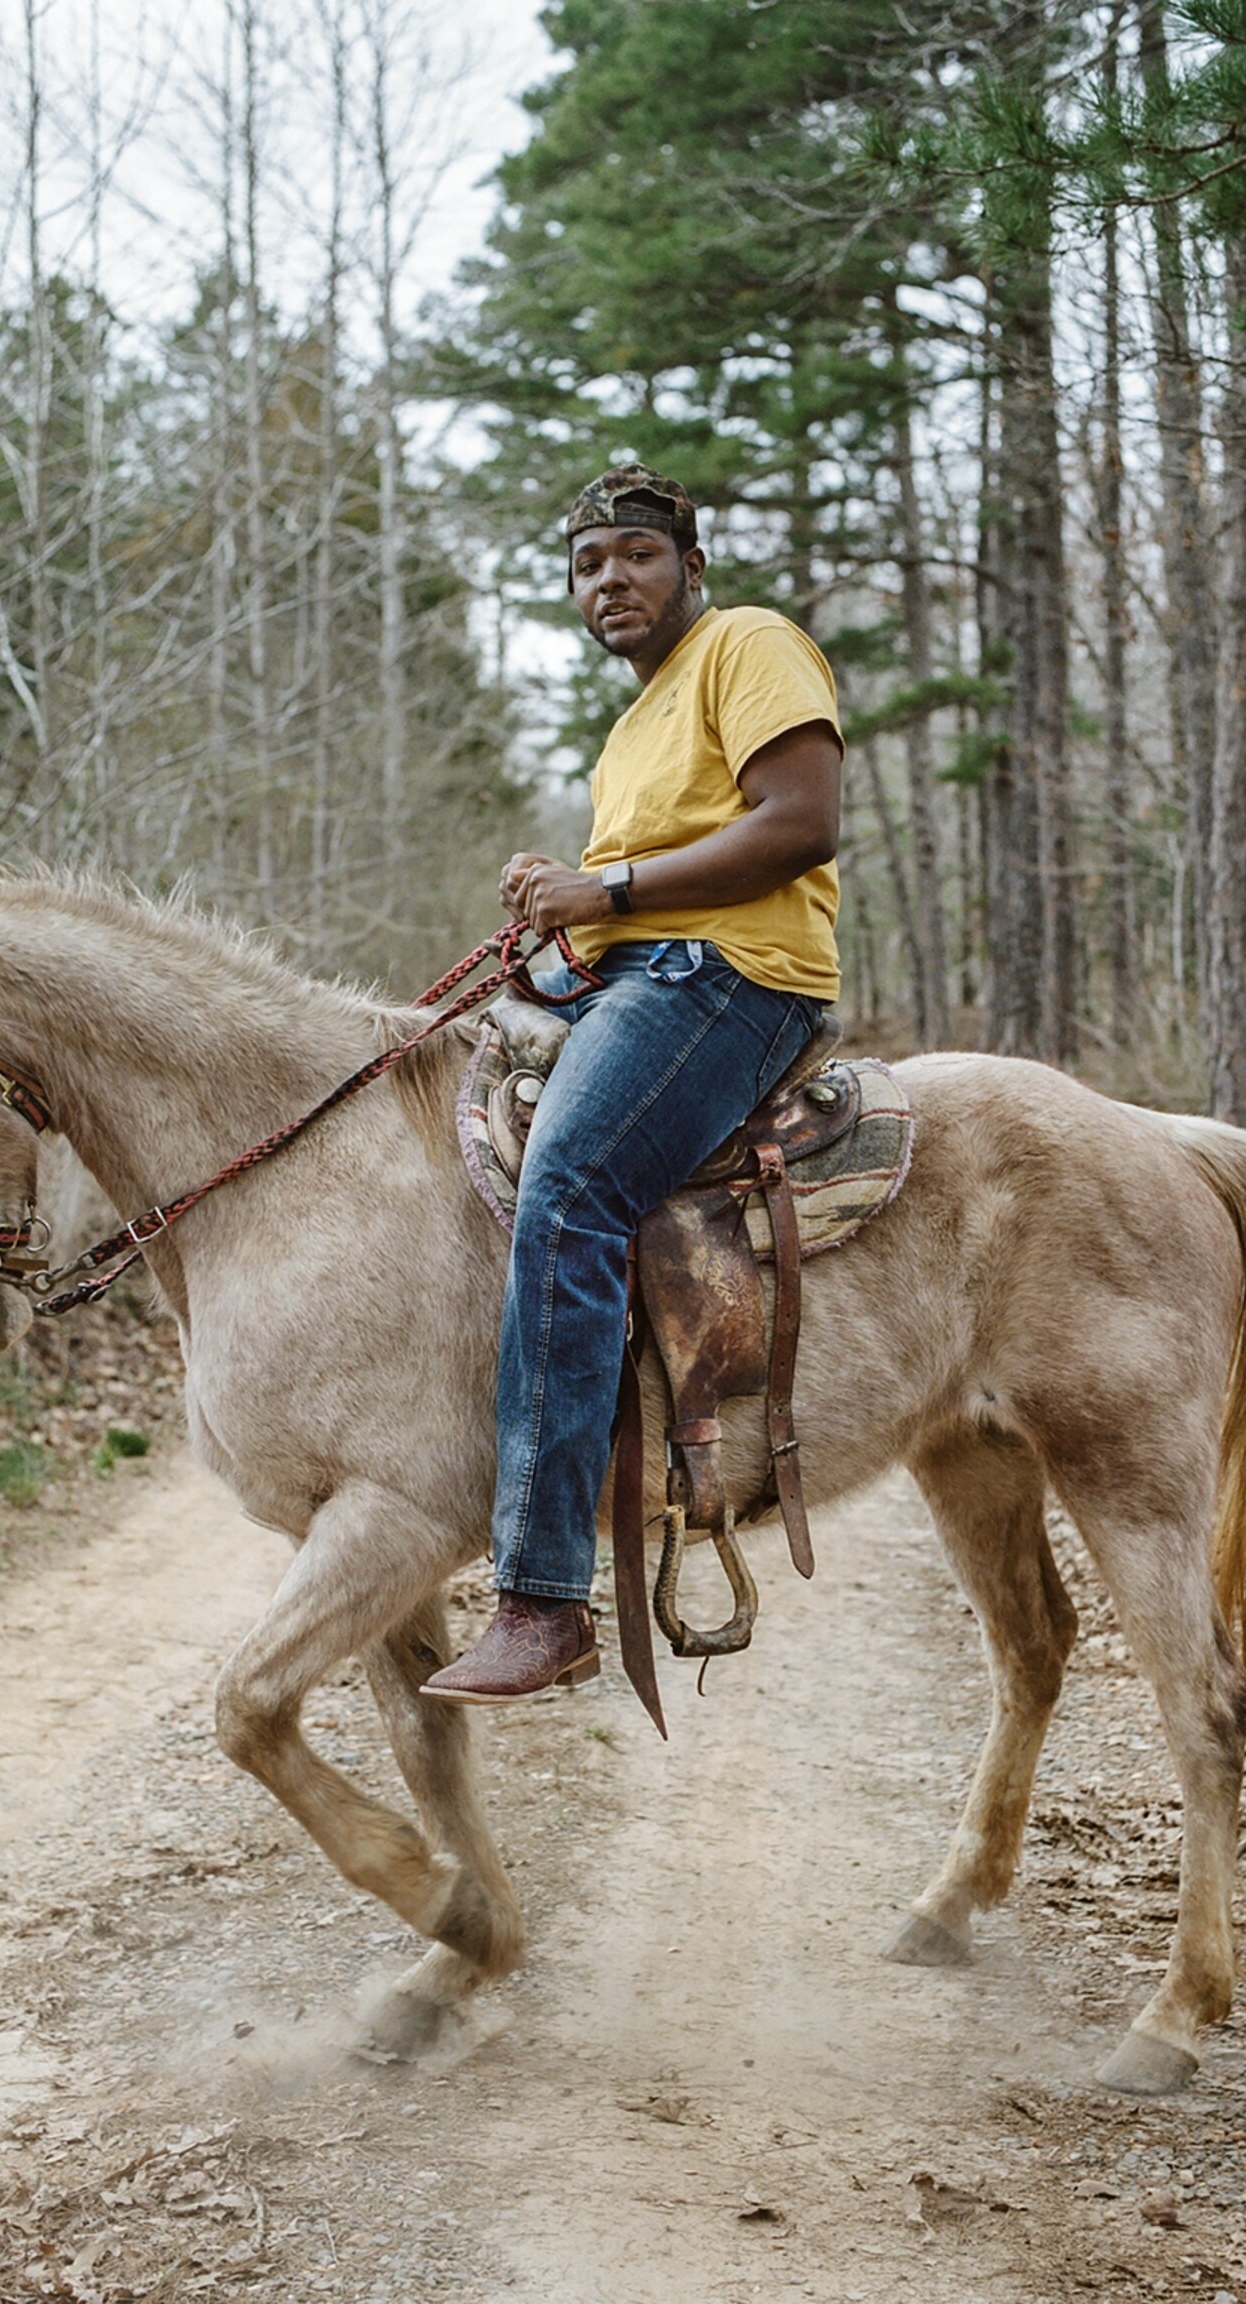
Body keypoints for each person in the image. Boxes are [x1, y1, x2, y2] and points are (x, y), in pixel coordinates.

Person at [424, 466, 844, 1704]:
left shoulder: (747, 646)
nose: (611, 579)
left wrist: (599, 890)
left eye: (637, 556)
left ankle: (543, 1596)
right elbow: (643, 879)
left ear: (690, 567)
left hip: (733, 976)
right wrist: (564, 904)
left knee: (568, 1190)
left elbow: (801, 822)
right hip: (636, 976)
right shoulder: (632, 729)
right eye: (588, 565)